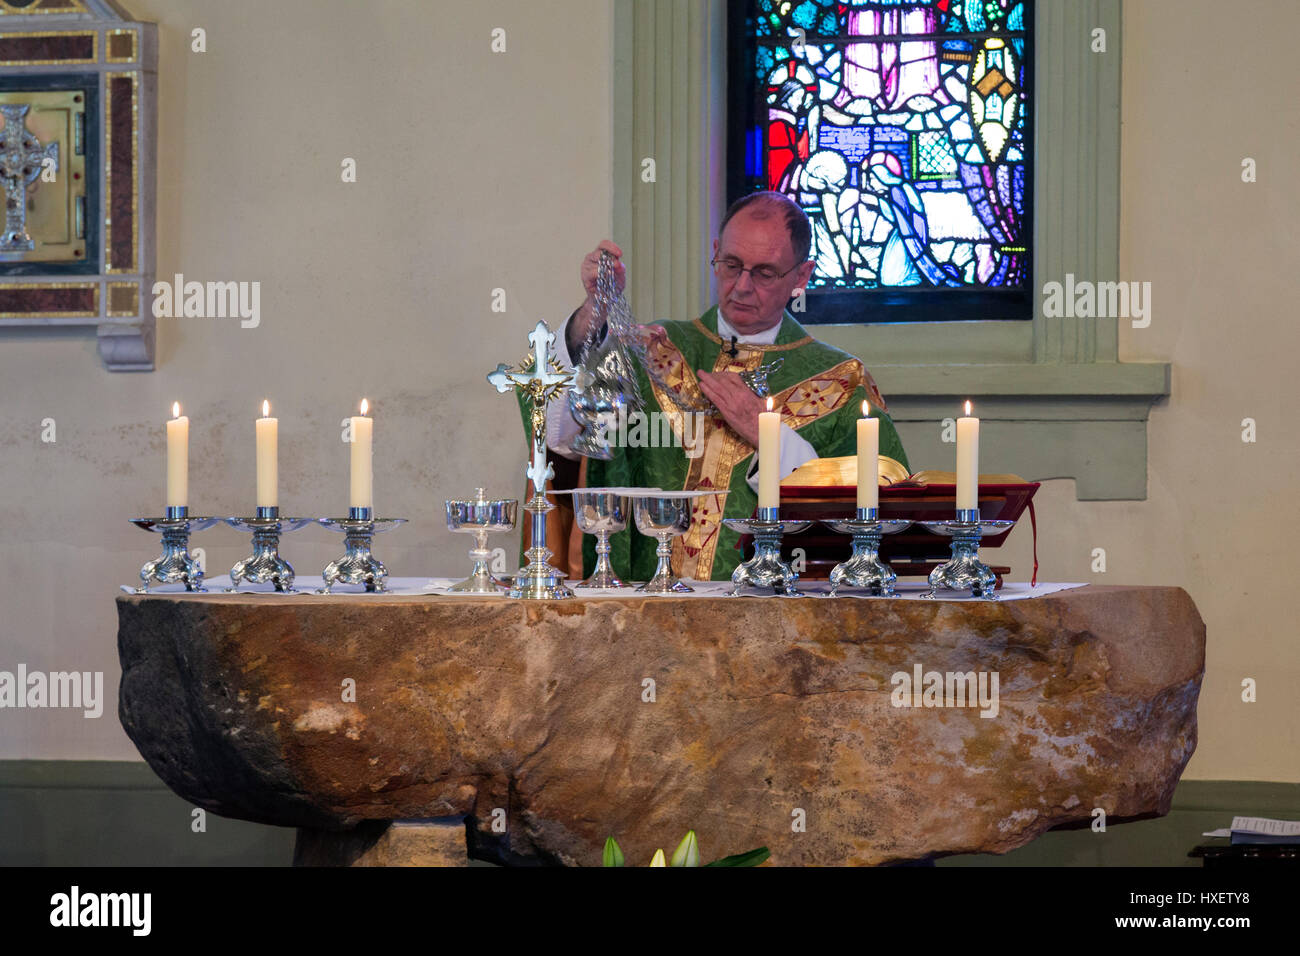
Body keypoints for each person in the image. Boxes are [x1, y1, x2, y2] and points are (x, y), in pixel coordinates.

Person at [533, 190, 909, 582]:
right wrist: (595, 313)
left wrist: (771, 437)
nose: (742, 286)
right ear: (715, 253)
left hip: (773, 616)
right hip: (645, 609)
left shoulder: (842, 382)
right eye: (731, 264)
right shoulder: (650, 350)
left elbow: (883, 507)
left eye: (764, 272)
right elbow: (560, 434)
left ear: (801, 276)